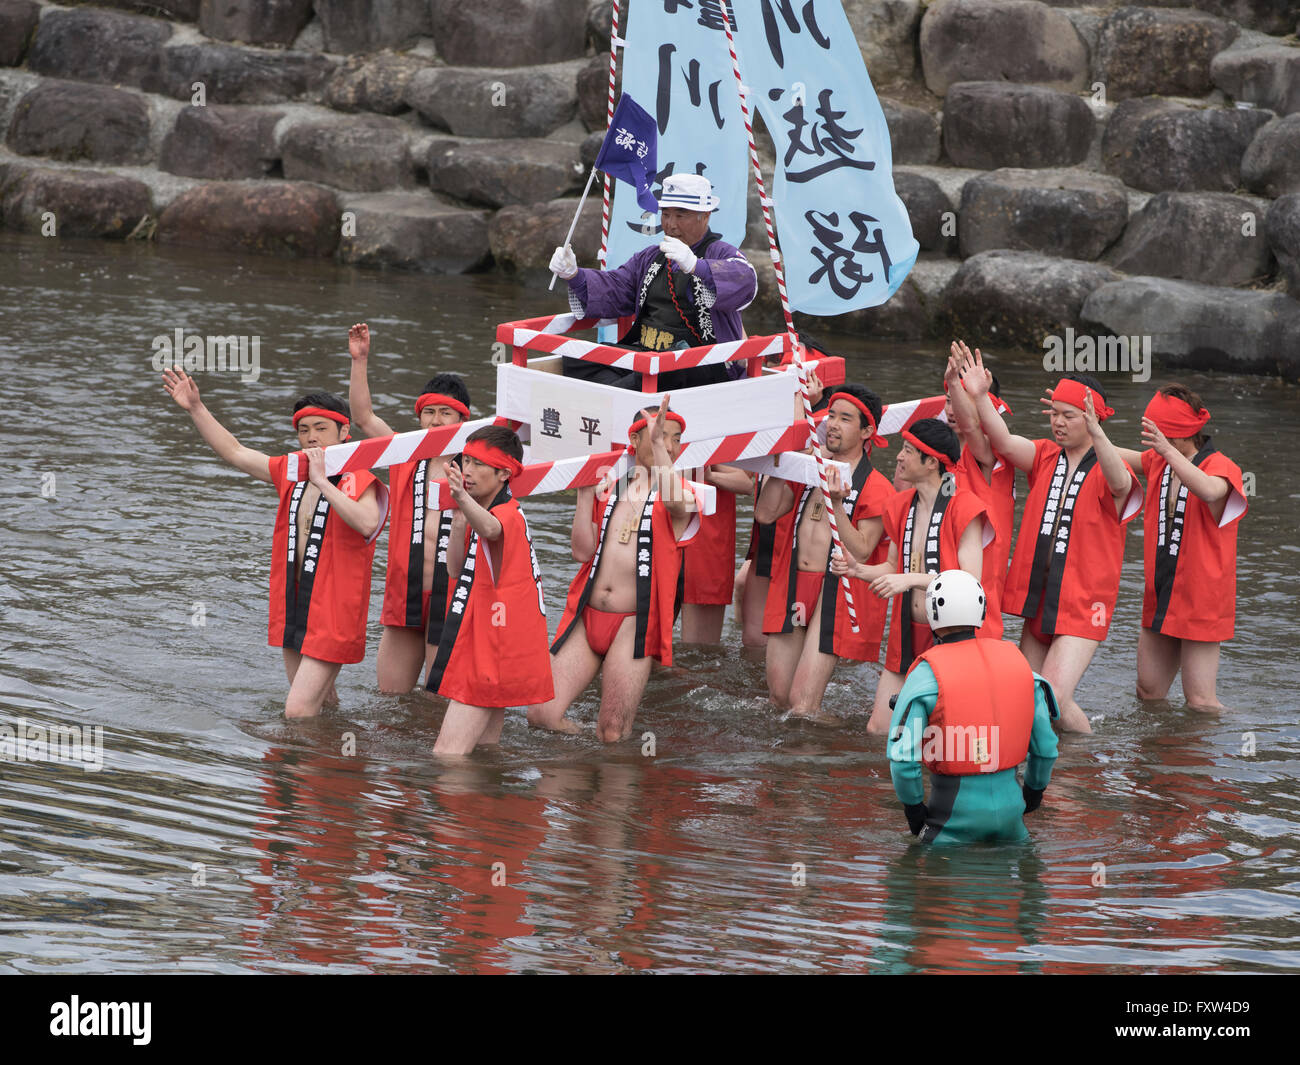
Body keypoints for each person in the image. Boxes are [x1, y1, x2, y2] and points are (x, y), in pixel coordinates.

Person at [161, 370, 387, 718]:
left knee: (297, 712)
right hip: (294, 603)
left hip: (334, 610)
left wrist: (323, 482)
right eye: (304, 430)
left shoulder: (361, 478)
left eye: (321, 428)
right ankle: (334, 760)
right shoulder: (289, 471)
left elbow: (368, 523)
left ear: (345, 433)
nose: (311, 438)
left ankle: (302, 767)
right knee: (321, 707)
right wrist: (196, 408)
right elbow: (235, 452)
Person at [960, 352, 1142, 734]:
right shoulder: (1045, 454)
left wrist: (1098, 433)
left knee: (1053, 697)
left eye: (1068, 415)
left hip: (1083, 602)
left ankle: (1091, 759)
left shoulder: (1112, 466)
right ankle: (1045, 770)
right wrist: (979, 396)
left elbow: (1122, 486)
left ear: (1093, 419)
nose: (1057, 422)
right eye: (1054, 413)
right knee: (1025, 694)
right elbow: (1006, 443)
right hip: (1041, 596)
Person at [527, 397, 700, 742]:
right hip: (589, 612)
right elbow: (581, 551)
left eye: (675, 437)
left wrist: (658, 447)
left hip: (634, 622)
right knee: (541, 714)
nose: (668, 443)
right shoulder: (610, 487)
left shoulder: (687, 492)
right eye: (658, 435)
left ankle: (613, 786)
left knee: (612, 731)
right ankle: (581, 765)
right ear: (633, 441)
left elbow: (673, 503)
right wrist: (583, 496)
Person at [834, 419, 988, 735]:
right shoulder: (899, 505)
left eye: (907, 450)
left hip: (951, 635)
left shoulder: (966, 507)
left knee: (942, 732)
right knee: (879, 729)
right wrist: (857, 570)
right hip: (905, 632)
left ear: (931, 462)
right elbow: (893, 567)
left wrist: (911, 579)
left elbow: (970, 583)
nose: (898, 457)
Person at [886, 570, 1060, 845]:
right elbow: (1046, 748)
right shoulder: (1019, 664)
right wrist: (1033, 795)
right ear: (980, 611)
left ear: (933, 614)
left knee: (920, 881)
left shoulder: (925, 673)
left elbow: (902, 761)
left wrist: (914, 811)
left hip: (950, 821)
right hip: (1012, 819)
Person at [347, 321, 473, 694]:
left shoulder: (476, 466)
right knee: (390, 700)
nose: (435, 421)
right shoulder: (404, 454)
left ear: (463, 419)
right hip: (405, 595)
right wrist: (360, 360)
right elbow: (364, 417)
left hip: (452, 595)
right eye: (428, 412)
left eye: (445, 414)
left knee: (439, 703)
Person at [757, 384, 895, 722]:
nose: (832, 424)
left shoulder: (878, 486)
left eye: (845, 419)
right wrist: (782, 464)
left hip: (833, 591)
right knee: (778, 699)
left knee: (802, 707)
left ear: (867, 432)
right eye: (830, 415)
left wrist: (836, 502)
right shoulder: (807, 470)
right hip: (793, 582)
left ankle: (837, 743)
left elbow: (862, 549)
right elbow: (764, 515)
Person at [549, 173, 758, 390]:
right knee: (576, 359)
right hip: (646, 353)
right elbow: (616, 287)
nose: (671, 225)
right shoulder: (650, 256)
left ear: (705, 216)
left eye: (680, 215)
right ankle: (622, 392)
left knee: (662, 370)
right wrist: (574, 275)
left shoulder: (721, 252)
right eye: (665, 215)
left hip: (698, 361)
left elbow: (746, 279)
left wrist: (697, 266)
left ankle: (614, 394)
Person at [1112, 386, 1247, 711]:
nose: (1153, 440)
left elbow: (1210, 490)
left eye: (1160, 433)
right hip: (1162, 588)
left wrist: (1168, 453)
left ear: (1179, 435)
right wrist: (1088, 429)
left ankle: (1222, 750)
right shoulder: (1158, 461)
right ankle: (1160, 756)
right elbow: (1114, 454)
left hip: (1202, 597)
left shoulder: (1222, 466)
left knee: (1200, 702)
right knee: (1148, 693)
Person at [425, 427, 553, 755]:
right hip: (498, 638)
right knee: (484, 751)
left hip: (494, 646)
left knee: (447, 755)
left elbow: (492, 528)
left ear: (504, 473)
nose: (467, 470)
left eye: (478, 464)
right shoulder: (475, 511)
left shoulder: (507, 513)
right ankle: (487, 805)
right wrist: (457, 519)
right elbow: (454, 569)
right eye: (465, 460)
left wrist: (461, 498)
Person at [944, 341, 1015, 639]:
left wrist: (953, 382)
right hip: (942, 559)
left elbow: (972, 428)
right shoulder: (935, 451)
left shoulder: (990, 453)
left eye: (959, 399)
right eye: (947, 399)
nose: (951, 409)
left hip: (981, 571)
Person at [678, 464, 753, 644]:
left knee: (699, 651)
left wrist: (710, 473)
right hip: (666, 530)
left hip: (707, 540)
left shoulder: (724, 444)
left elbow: (746, 482)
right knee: (649, 644)